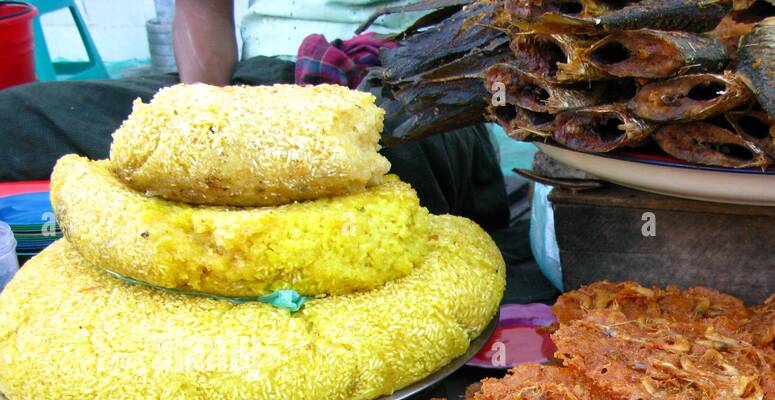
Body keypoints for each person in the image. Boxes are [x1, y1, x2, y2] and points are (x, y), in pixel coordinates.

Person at [0, 0, 507, 229]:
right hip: (250, 81)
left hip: (405, 77)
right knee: (14, 116)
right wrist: (207, 114)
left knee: (391, 172)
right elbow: (201, 10)